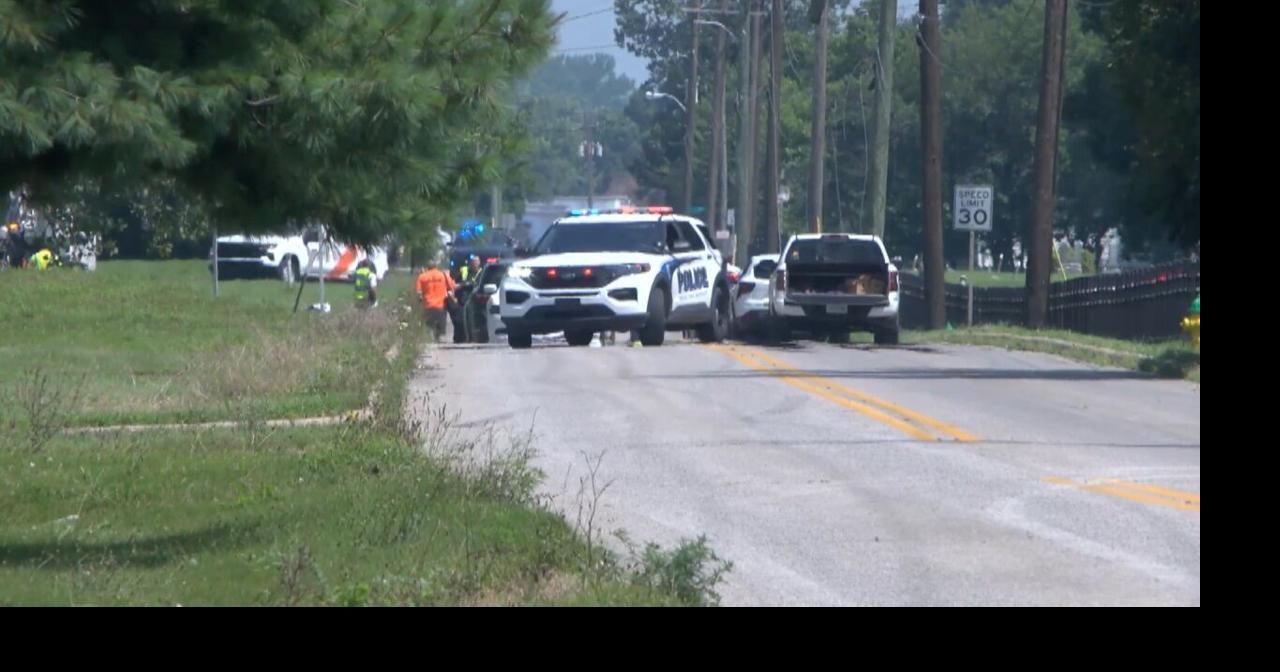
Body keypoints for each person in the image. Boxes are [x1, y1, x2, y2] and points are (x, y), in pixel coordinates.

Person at [416, 258, 455, 341]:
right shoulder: (443, 275)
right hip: (441, 305)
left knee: (429, 325)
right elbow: (451, 287)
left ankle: (431, 340)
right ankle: (438, 338)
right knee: (440, 326)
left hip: (428, 305)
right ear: (436, 267)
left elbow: (419, 292)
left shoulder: (422, 277)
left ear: (427, 267)